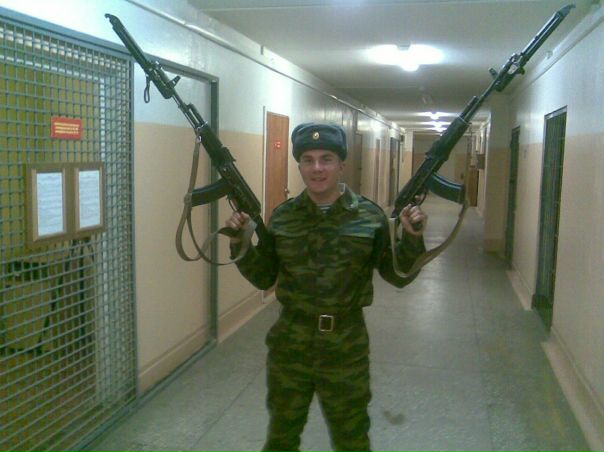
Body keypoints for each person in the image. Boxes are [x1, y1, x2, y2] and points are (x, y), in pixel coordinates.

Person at [225, 122, 427, 452]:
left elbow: (398, 276)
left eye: (326, 159)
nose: (317, 168)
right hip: (290, 345)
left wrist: (413, 239)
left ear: (341, 164)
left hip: (346, 347)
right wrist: (239, 243)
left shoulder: (369, 217)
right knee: (281, 438)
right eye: (308, 159)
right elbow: (264, 277)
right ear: (299, 165)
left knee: (352, 440)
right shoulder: (283, 217)